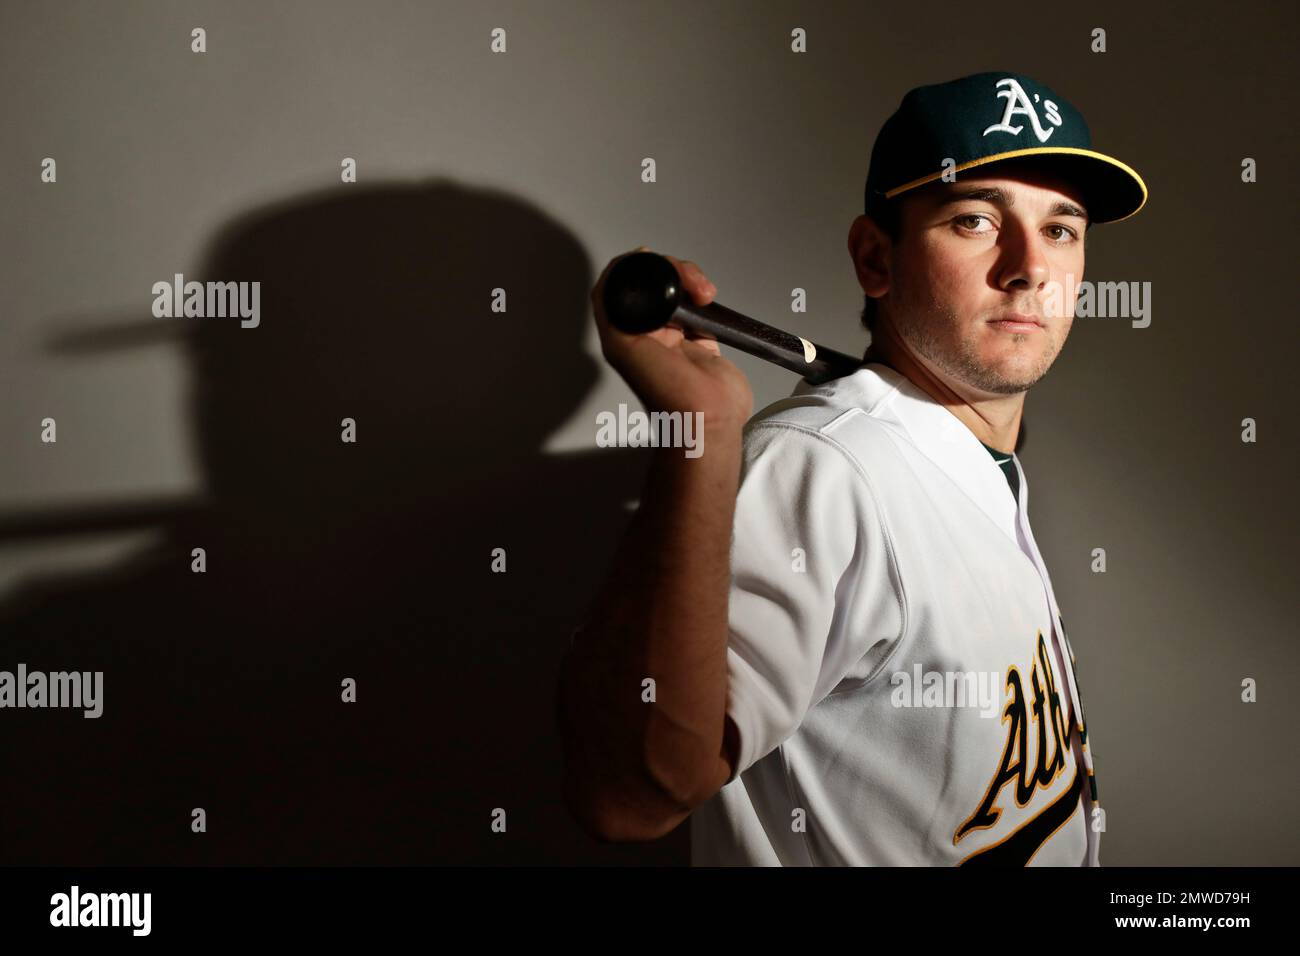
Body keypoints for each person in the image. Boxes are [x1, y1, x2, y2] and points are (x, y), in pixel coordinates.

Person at [557, 71, 1147, 865]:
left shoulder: (971, 457)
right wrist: (699, 433)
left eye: (1061, 230)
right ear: (876, 259)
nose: (1029, 267)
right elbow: (628, 794)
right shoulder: (826, 466)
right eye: (975, 219)